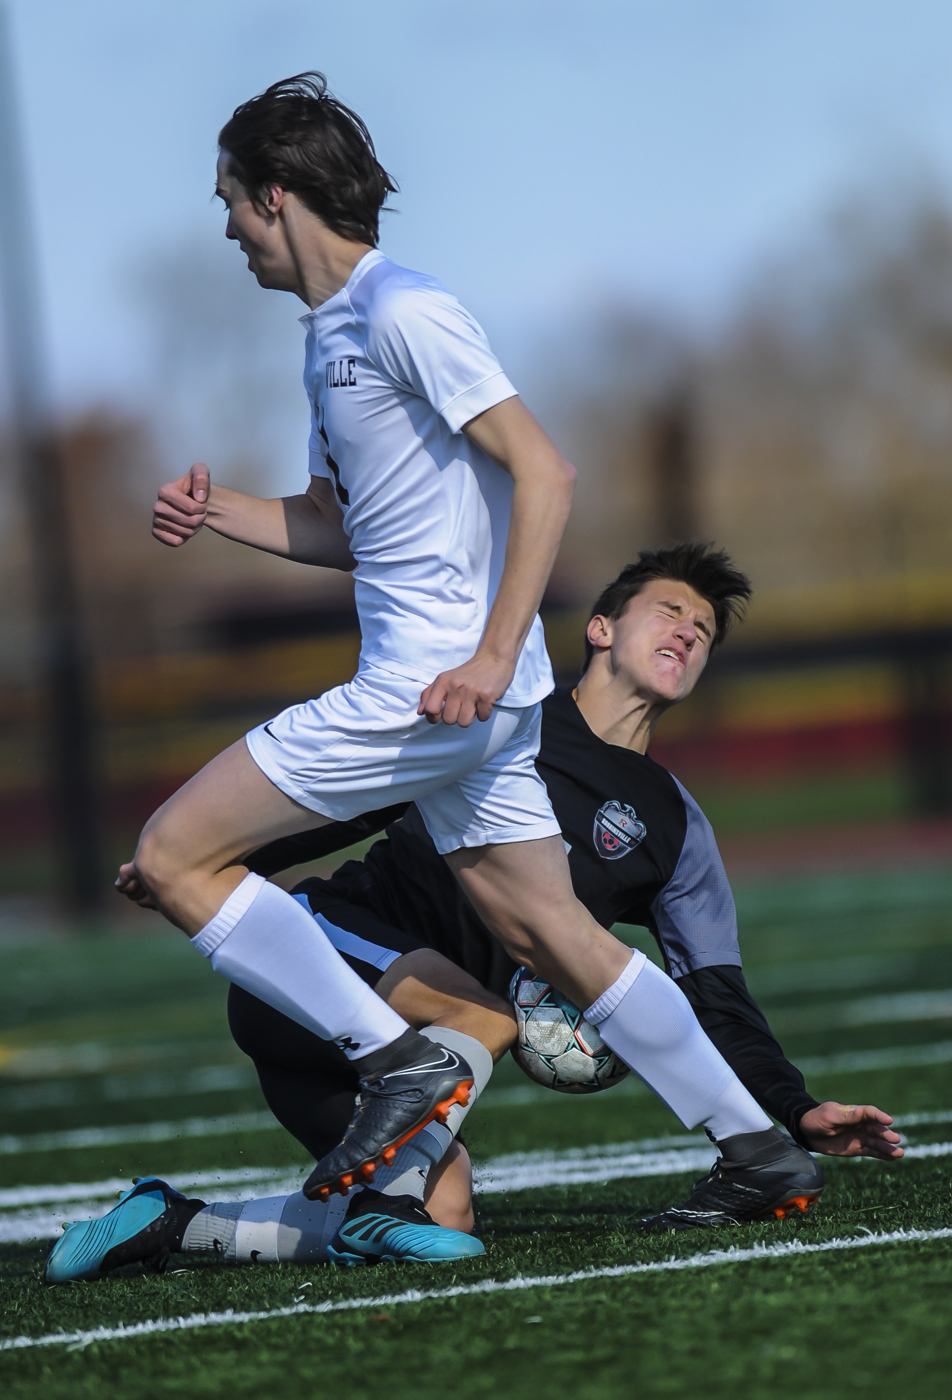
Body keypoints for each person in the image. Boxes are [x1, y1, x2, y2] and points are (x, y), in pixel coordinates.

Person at [115, 73, 803, 1208]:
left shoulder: (403, 310)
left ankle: (393, 1062)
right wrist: (218, 512)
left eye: (231, 199)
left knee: (178, 852)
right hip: (474, 707)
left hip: (431, 689)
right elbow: (344, 525)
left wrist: (488, 658)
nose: (228, 226)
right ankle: (758, 1147)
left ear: (276, 196)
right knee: (552, 929)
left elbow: (545, 470)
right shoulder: (329, 337)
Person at [49, 549, 898, 1283]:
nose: (687, 632)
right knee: (482, 1015)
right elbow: (348, 804)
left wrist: (795, 1107)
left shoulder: (677, 828)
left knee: (444, 1219)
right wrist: (204, 865)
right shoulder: (504, 716)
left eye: (704, 632)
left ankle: (166, 1222)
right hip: (322, 971)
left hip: (425, 1058)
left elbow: (716, 992)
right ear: (600, 628)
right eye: (669, 612)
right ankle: (387, 1185)